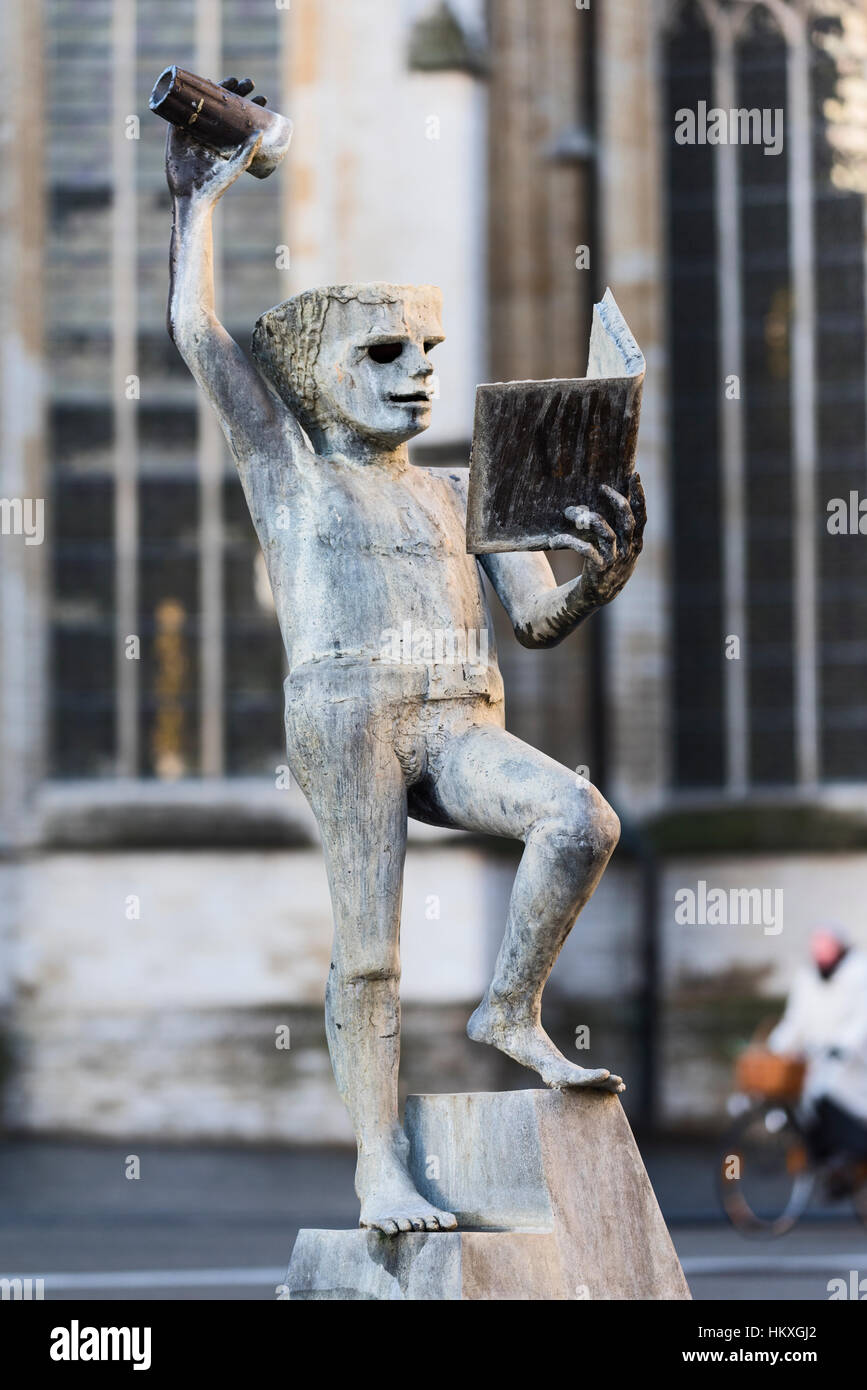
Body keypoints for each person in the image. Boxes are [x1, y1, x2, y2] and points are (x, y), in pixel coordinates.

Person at [164, 80, 645, 1234]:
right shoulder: (289, 465)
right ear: (316, 372)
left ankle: (507, 1008)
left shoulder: (461, 488)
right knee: (370, 953)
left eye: (426, 349)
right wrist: (194, 208)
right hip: (350, 711)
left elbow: (531, 622)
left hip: (457, 713)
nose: (416, 370)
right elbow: (198, 338)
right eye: (383, 352)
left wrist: (600, 580)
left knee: (583, 820)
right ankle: (382, 1168)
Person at [768, 926, 867, 1177]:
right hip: (817, 1062)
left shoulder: (860, 974)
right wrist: (775, 1047)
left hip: (852, 1063)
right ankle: (830, 1161)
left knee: (835, 1101)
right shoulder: (807, 978)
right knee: (810, 1102)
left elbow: (861, 1020)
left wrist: (843, 1046)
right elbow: (796, 1021)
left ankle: (851, 1157)